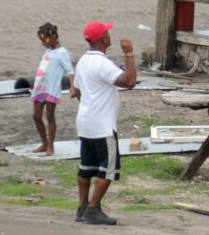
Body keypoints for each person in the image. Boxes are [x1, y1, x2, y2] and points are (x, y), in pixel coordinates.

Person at [69, 21, 136, 225]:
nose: (109, 35)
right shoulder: (102, 63)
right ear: (102, 39)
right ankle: (93, 208)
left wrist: (91, 105)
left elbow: (76, 91)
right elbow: (129, 82)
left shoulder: (83, 61)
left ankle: (82, 207)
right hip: (103, 126)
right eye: (107, 32)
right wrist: (129, 54)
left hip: (85, 121)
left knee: (86, 167)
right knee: (108, 168)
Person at [30, 22, 75, 156]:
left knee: (50, 117)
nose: (43, 43)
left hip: (51, 89)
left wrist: (73, 86)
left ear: (54, 36)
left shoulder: (62, 53)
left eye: (44, 40)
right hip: (40, 87)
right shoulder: (48, 51)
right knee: (36, 116)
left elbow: (69, 71)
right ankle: (44, 143)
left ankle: (50, 146)